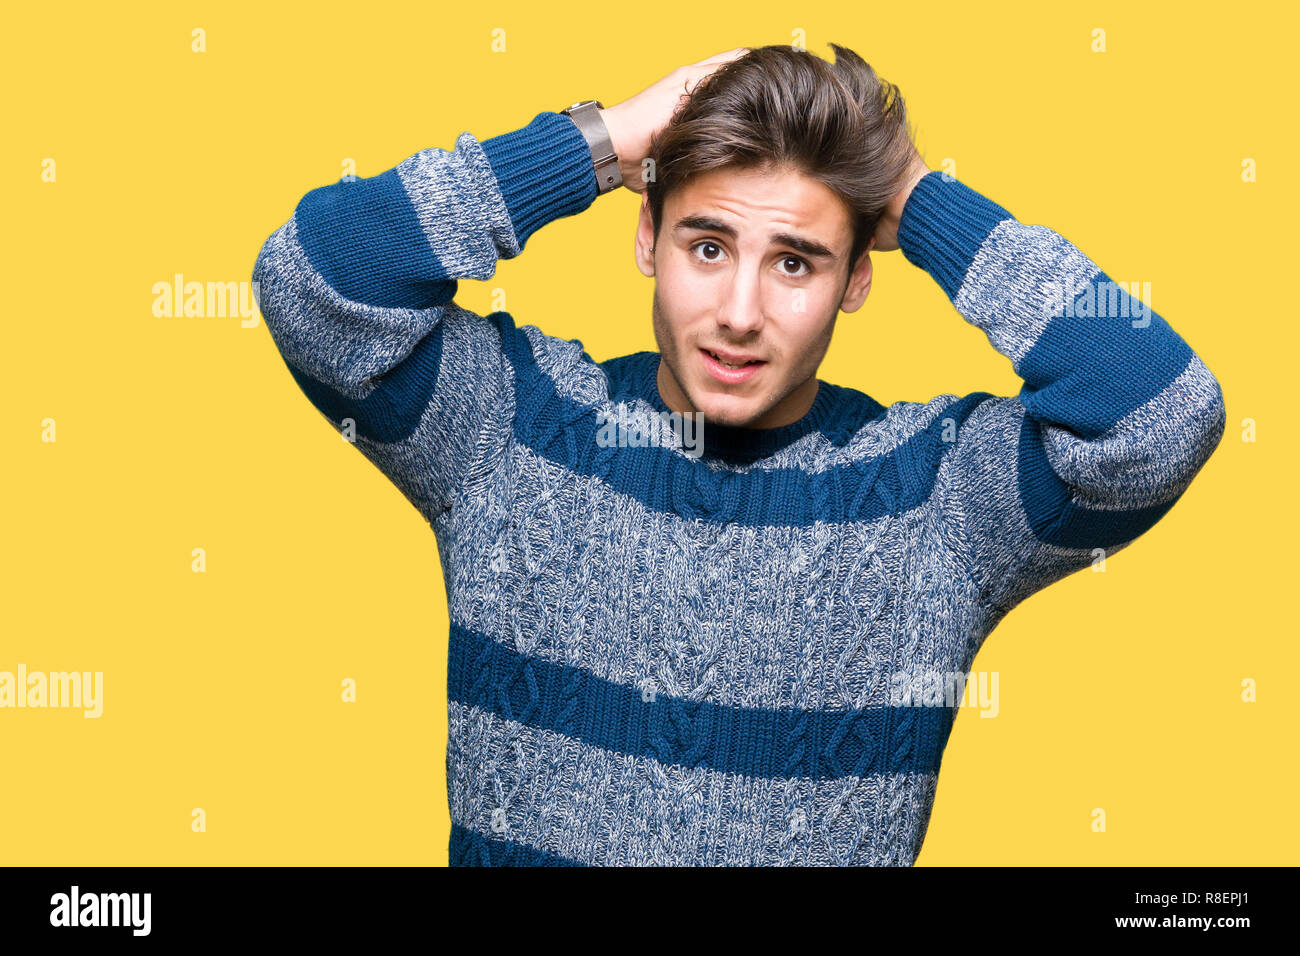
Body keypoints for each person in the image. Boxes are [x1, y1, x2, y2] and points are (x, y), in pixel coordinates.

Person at [250, 44, 1226, 866]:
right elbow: (313, 279)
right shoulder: (507, 422)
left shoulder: (936, 496)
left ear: (855, 281)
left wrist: (922, 201)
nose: (740, 313)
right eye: (707, 246)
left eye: (795, 261)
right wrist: (601, 140)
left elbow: (1156, 411)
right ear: (646, 236)